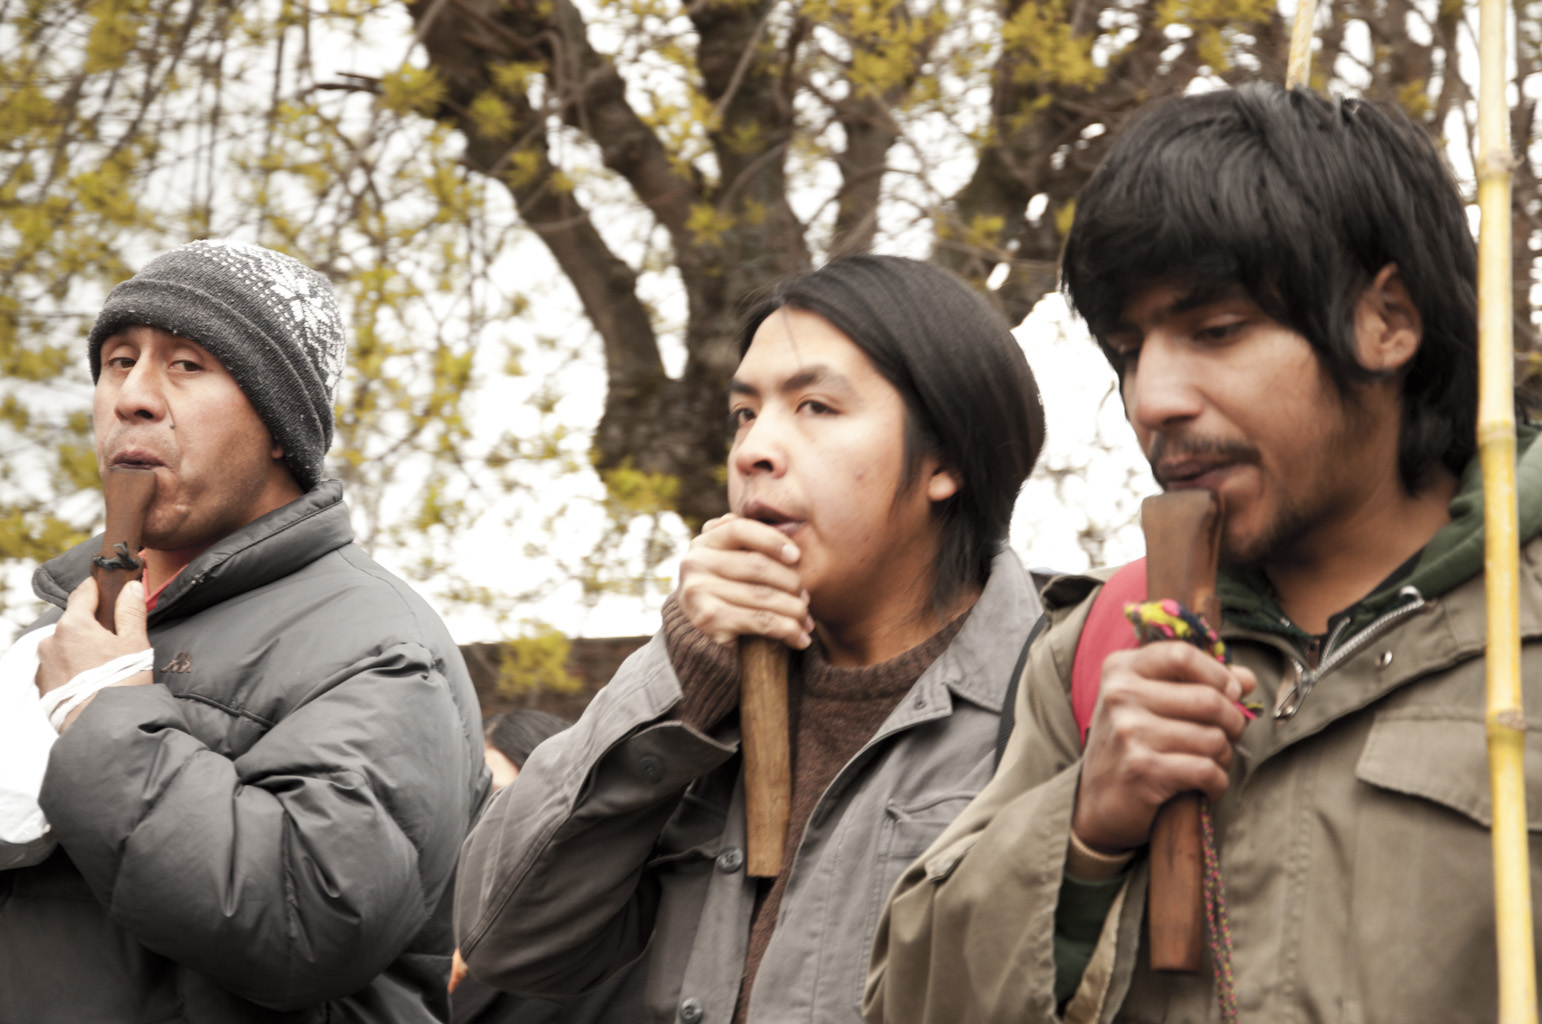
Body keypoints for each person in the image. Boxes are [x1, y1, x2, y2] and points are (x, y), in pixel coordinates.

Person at [865, 82, 1541, 1023]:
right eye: (1129, 349)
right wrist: (1083, 832)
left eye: (1216, 331)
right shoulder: (1100, 647)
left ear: (1388, 320)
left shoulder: (1524, 628)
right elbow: (907, 1002)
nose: (1154, 399)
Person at [454, 254, 1047, 1022]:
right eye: (745, 413)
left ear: (947, 460)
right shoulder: (697, 708)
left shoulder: (1059, 694)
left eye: (816, 408)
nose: (753, 450)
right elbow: (505, 938)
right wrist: (684, 670)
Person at [0, 240, 488, 1022]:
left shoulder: (379, 645)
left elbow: (307, 926)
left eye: (187, 364)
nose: (133, 395)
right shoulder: (51, 635)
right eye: (119, 361)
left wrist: (101, 718)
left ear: (276, 424)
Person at [450, 709, 573, 1024]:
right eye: (479, 800)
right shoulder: (420, 913)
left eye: (506, 802)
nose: (488, 822)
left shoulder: (598, 952)